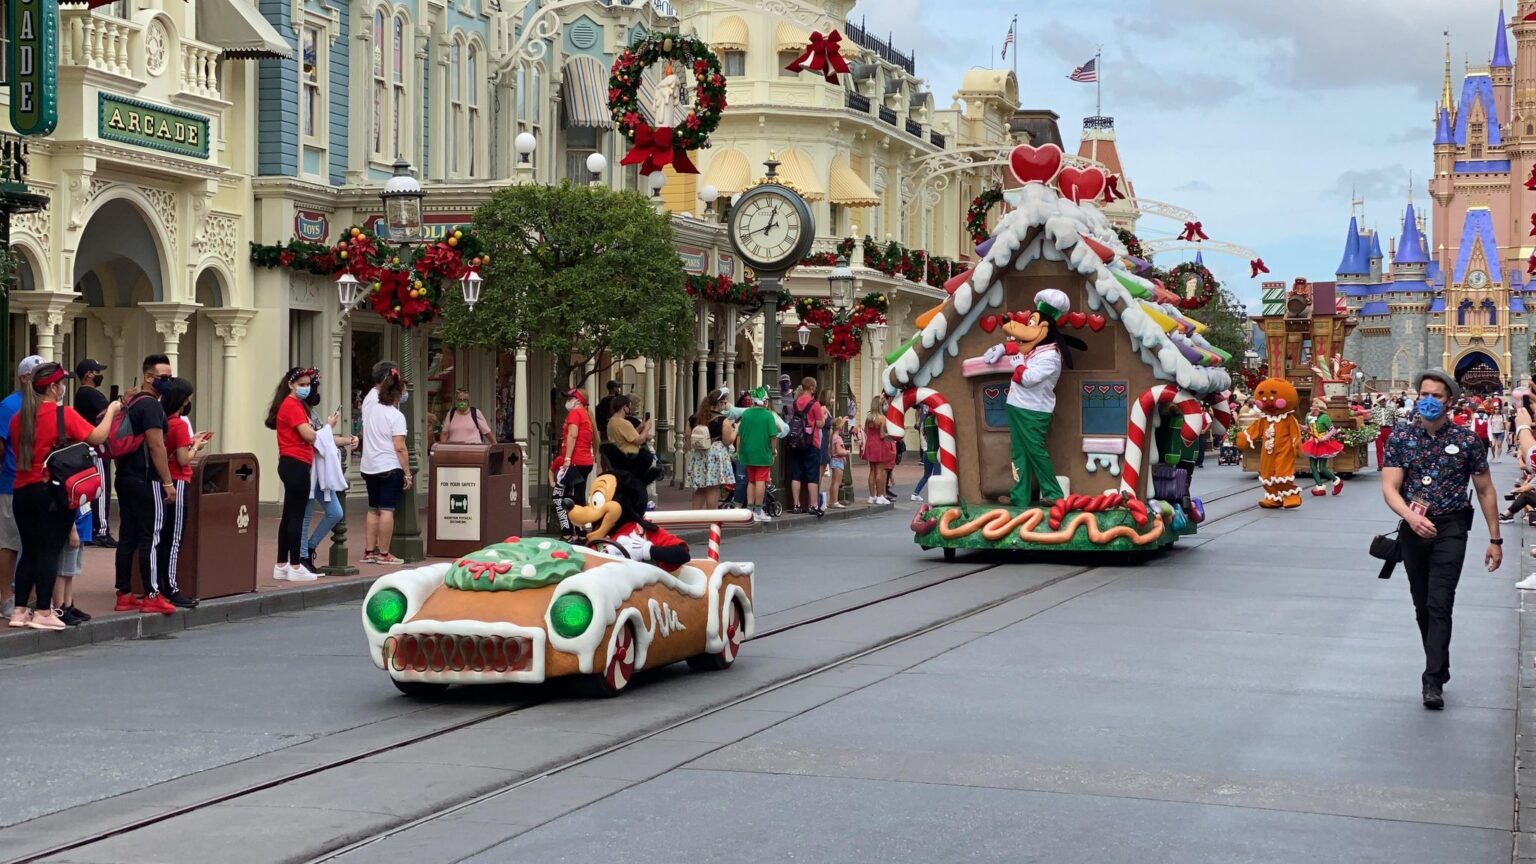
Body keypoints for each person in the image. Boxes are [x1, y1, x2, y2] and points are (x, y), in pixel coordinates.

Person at [1381, 369, 1502, 710]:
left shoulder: (1467, 441)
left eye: (1436, 396)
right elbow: (1390, 487)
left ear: (1449, 401)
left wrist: (1496, 540)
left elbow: (1485, 490)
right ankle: (1440, 664)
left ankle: (1432, 679)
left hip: (1451, 528)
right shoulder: (1402, 438)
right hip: (1413, 527)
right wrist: (1410, 516)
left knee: (1440, 602)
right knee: (1422, 606)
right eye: (1424, 395)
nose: (1429, 401)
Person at [7, 362, 119, 630]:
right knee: (49, 553)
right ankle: (44, 610)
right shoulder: (63, 415)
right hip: (51, 490)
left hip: (22, 490)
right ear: (55, 388)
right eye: (61, 383)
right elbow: (96, 436)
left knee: (30, 551)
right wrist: (113, 411)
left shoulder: (17, 418)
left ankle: (19, 610)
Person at [113, 355, 179, 612]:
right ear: (148, 377)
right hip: (147, 479)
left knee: (127, 536)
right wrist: (167, 482)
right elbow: (156, 445)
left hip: (126, 477)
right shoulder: (151, 406)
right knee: (150, 536)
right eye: (164, 378)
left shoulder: (131, 402)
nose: (168, 382)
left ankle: (124, 592)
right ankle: (152, 594)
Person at [265, 368, 324, 582]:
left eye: (308, 384)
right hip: (296, 462)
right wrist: (318, 431)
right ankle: (296, 565)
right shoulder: (292, 406)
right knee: (296, 515)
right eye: (302, 384)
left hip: (290, 463)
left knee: (289, 515)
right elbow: (308, 435)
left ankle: (282, 564)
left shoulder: (292, 405)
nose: (307, 388)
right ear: (291, 385)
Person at [157, 377, 210, 606]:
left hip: (164, 480)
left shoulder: (165, 421)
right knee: (174, 537)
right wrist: (195, 447)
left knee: (163, 536)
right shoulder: (177, 424)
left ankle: (160, 583)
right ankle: (170, 585)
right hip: (178, 481)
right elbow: (183, 458)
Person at [301, 380, 356, 572]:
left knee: (335, 512)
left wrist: (347, 440)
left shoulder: (311, 413)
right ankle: (301, 556)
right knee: (306, 515)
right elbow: (315, 438)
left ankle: (309, 546)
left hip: (319, 471)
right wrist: (329, 426)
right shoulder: (299, 411)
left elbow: (324, 438)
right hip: (308, 469)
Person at [0, 355, 40, 620]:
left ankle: (34, 597)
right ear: (24, 377)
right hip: (11, 482)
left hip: (38, 482)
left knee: (36, 543)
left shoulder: (45, 404)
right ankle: (5, 596)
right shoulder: (9, 405)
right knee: (10, 541)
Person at [361, 367, 410, 565]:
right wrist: (407, 472)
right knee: (387, 510)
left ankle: (369, 551)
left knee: (373, 509)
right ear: (397, 393)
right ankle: (384, 553)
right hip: (389, 466)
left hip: (369, 466)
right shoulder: (396, 416)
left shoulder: (372, 410)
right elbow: (399, 447)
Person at [73, 358, 116, 548]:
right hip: (96, 448)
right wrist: (119, 405)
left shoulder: (82, 394)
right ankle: (101, 530)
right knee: (101, 488)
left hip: (89, 446)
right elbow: (106, 414)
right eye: (97, 372)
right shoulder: (89, 393)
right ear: (89, 374)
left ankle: (95, 529)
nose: (99, 375)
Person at [554, 388, 597, 542]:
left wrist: (566, 459)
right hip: (584, 462)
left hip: (575, 462)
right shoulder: (585, 415)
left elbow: (573, 434)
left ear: (578, 400)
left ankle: (568, 533)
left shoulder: (575, 414)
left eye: (570, 398)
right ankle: (581, 532)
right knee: (578, 497)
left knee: (559, 496)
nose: (568, 401)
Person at [735, 387, 781, 522]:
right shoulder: (768, 415)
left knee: (752, 480)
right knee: (761, 480)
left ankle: (749, 509)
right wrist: (773, 451)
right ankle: (758, 509)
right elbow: (773, 436)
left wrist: (739, 451)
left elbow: (740, 434)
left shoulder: (747, 414)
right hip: (762, 451)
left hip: (747, 451)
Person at [686, 392, 736, 510]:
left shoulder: (693, 418)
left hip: (698, 454)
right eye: (724, 402)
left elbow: (688, 436)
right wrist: (736, 430)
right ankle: (712, 517)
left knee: (701, 487)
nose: (725, 404)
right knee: (713, 487)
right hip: (715, 455)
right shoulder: (723, 420)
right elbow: (727, 441)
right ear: (719, 403)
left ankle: (694, 516)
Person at [786, 378, 827, 517]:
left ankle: (796, 504)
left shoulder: (796, 402)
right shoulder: (815, 404)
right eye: (814, 386)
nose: (815, 389)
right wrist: (822, 418)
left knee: (796, 474)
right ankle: (813, 505)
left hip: (796, 441)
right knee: (812, 475)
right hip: (811, 442)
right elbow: (820, 424)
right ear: (811, 388)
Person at [1301, 399, 1343, 496]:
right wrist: (1300, 426)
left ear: (1320, 409)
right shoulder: (1308, 415)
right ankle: (1319, 487)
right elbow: (1307, 428)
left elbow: (1333, 430)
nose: (1313, 411)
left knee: (1322, 468)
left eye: (1316, 409)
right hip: (1313, 443)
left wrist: (1324, 438)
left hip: (1323, 443)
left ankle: (1337, 481)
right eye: (1312, 408)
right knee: (1313, 466)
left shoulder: (1324, 417)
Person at [861, 395, 893, 505]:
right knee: (880, 471)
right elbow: (882, 435)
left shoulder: (869, 418)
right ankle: (880, 496)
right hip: (879, 445)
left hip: (870, 444)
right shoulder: (882, 418)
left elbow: (865, 432)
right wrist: (891, 436)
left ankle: (872, 496)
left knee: (872, 471)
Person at [912, 405, 940, 502]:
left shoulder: (925, 422)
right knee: (937, 476)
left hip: (926, 451)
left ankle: (916, 493)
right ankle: (936, 496)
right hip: (936, 452)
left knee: (926, 475)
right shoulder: (936, 421)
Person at [828, 416, 850, 509]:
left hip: (833, 460)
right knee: (837, 482)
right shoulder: (838, 438)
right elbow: (839, 451)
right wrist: (847, 452)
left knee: (833, 482)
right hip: (838, 461)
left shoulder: (833, 436)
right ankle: (835, 501)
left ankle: (831, 501)